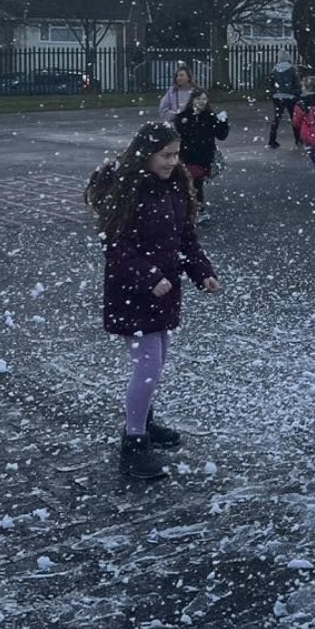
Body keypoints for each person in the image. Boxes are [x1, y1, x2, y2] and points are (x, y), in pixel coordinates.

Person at [84, 122, 219, 480]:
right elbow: (116, 247)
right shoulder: (128, 190)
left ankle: (145, 421)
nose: (172, 161)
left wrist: (201, 271)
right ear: (146, 154)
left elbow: (185, 238)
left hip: (164, 292)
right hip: (133, 294)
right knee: (146, 368)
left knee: (156, 363)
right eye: (165, 155)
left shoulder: (174, 186)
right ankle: (134, 442)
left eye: (176, 154)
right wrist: (149, 277)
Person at [174, 89, 230, 224]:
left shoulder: (210, 117)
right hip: (187, 155)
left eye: (204, 99)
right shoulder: (183, 116)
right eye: (198, 99)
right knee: (193, 181)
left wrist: (223, 121)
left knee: (196, 182)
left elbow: (221, 135)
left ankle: (196, 208)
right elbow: (182, 132)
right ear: (192, 100)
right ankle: (196, 208)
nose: (201, 102)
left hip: (204, 156)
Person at [267, 56, 302, 149]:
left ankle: (272, 140)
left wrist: (274, 93)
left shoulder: (274, 69)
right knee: (294, 118)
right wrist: (296, 94)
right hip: (290, 97)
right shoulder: (292, 69)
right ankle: (298, 139)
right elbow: (297, 84)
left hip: (277, 97)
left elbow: (270, 83)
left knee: (276, 118)